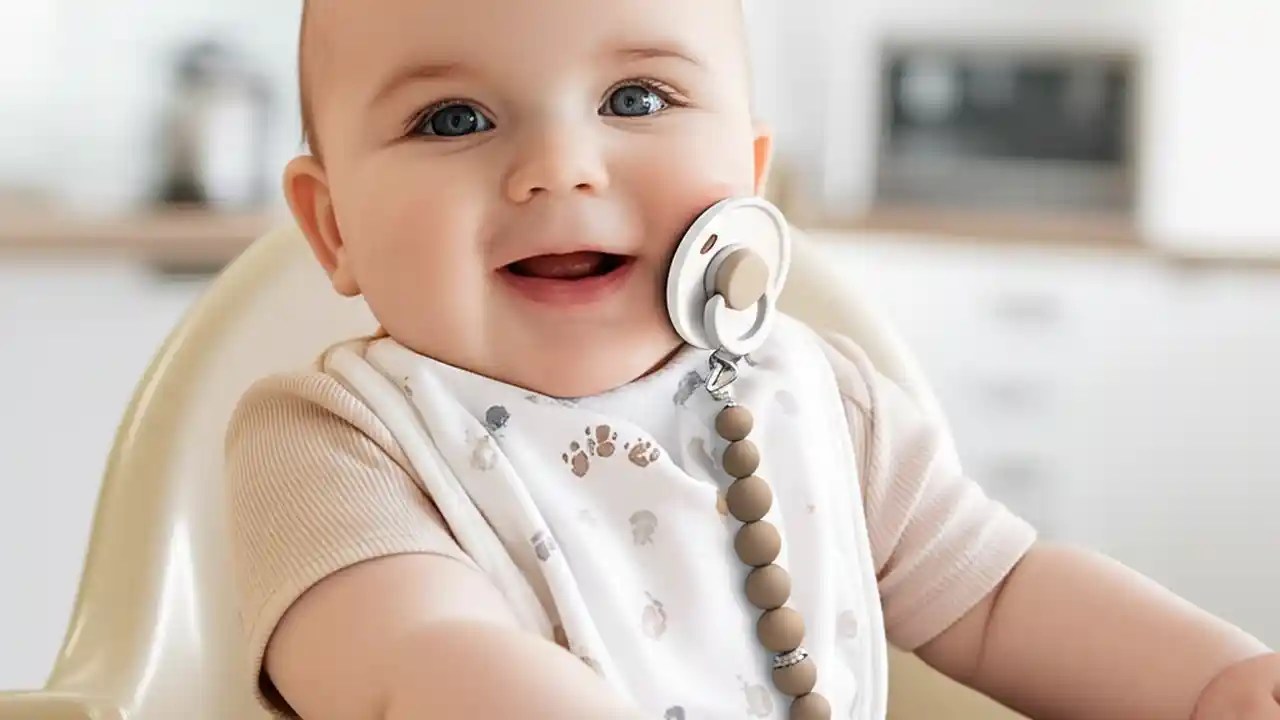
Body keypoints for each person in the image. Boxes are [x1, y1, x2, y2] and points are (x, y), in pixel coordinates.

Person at [225, 0, 1279, 717]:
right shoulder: (338, 440)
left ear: (748, 174)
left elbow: (998, 594)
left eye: (635, 98)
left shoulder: (815, 399)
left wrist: (1209, 684)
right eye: (453, 118)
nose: (558, 168)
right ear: (334, 230)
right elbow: (412, 664)